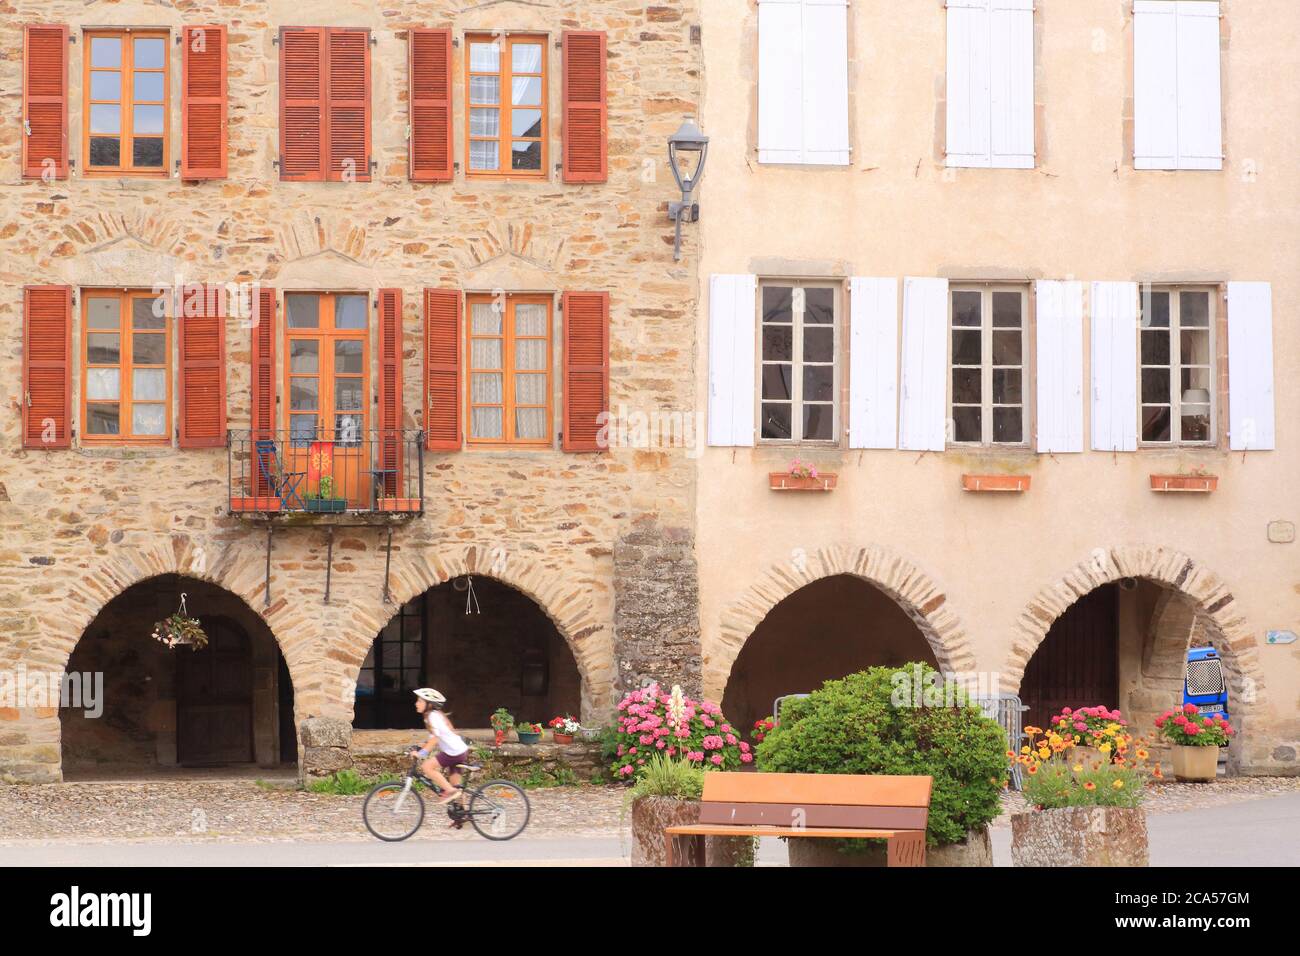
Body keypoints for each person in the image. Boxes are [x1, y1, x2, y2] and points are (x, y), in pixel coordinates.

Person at [410, 688, 469, 805]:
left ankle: (450, 791)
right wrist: (421, 747)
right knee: (457, 789)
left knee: (427, 767)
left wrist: (421, 754)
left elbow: (435, 739)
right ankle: (462, 818)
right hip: (458, 750)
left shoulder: (432, 717)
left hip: (453, 752)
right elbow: (438, 736)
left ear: (429, 704)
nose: (416, 704)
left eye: (420, 701)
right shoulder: (436, 715)